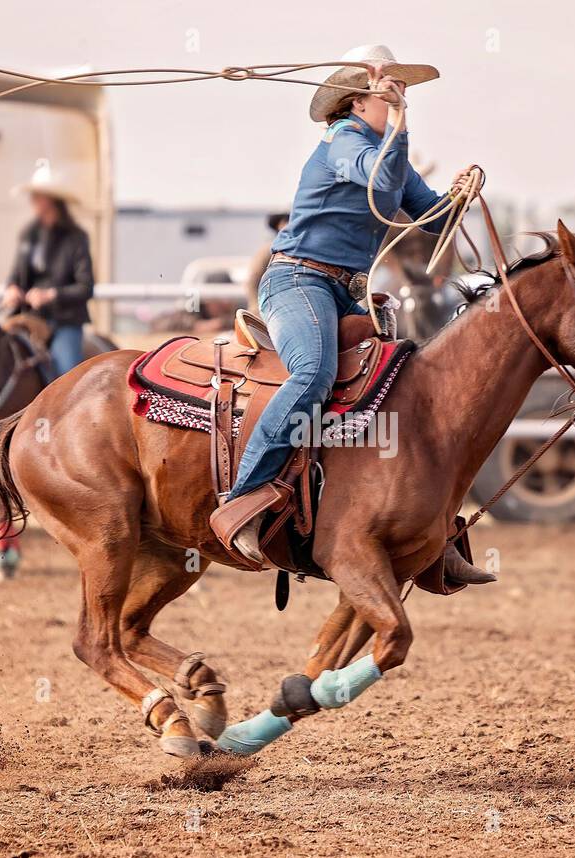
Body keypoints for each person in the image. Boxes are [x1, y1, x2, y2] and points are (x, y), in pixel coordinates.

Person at [209, 44, 489, 584]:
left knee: (410, 389)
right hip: (299, 280)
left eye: (403, 92)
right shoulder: (344, 141)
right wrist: (401, 127)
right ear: (361, 100)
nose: (402, 99)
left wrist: (459, 199)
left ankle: (423, 528)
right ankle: (243, 499)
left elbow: (430, 221)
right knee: (312, 374)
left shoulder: (382, 149)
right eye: (393, 91)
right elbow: (382, 185)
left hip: (344, 293)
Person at [1, 166, 95, 379]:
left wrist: (50, 295)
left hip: (65, 321)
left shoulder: (76, 238)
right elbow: (16, 273)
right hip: (28, 318)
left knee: (65, 376)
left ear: (51, 199)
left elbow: (85, 287)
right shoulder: (28, 234)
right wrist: (12, 289)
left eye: (37, 195)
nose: (32, 199)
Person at [244, 211, 290, 316]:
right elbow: (253, 280)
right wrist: (255, 307)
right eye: (286, 221)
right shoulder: (268, 250)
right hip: (269, 307)